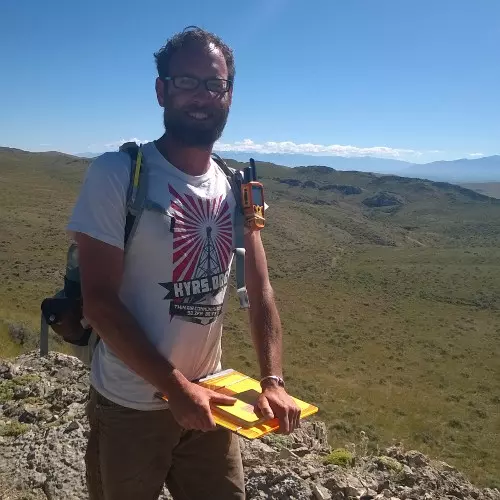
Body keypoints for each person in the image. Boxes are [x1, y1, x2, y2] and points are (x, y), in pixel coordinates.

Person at [66, 26, 300, 500]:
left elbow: (261, 291)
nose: (202, 95)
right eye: (186, 81)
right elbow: (100, 303)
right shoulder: (118, 174)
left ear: (229, 95)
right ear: (161, 90)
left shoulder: (235, 187)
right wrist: (174, 388)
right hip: (132, 405)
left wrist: (272, 380)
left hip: (212, 395)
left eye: (214, 84)